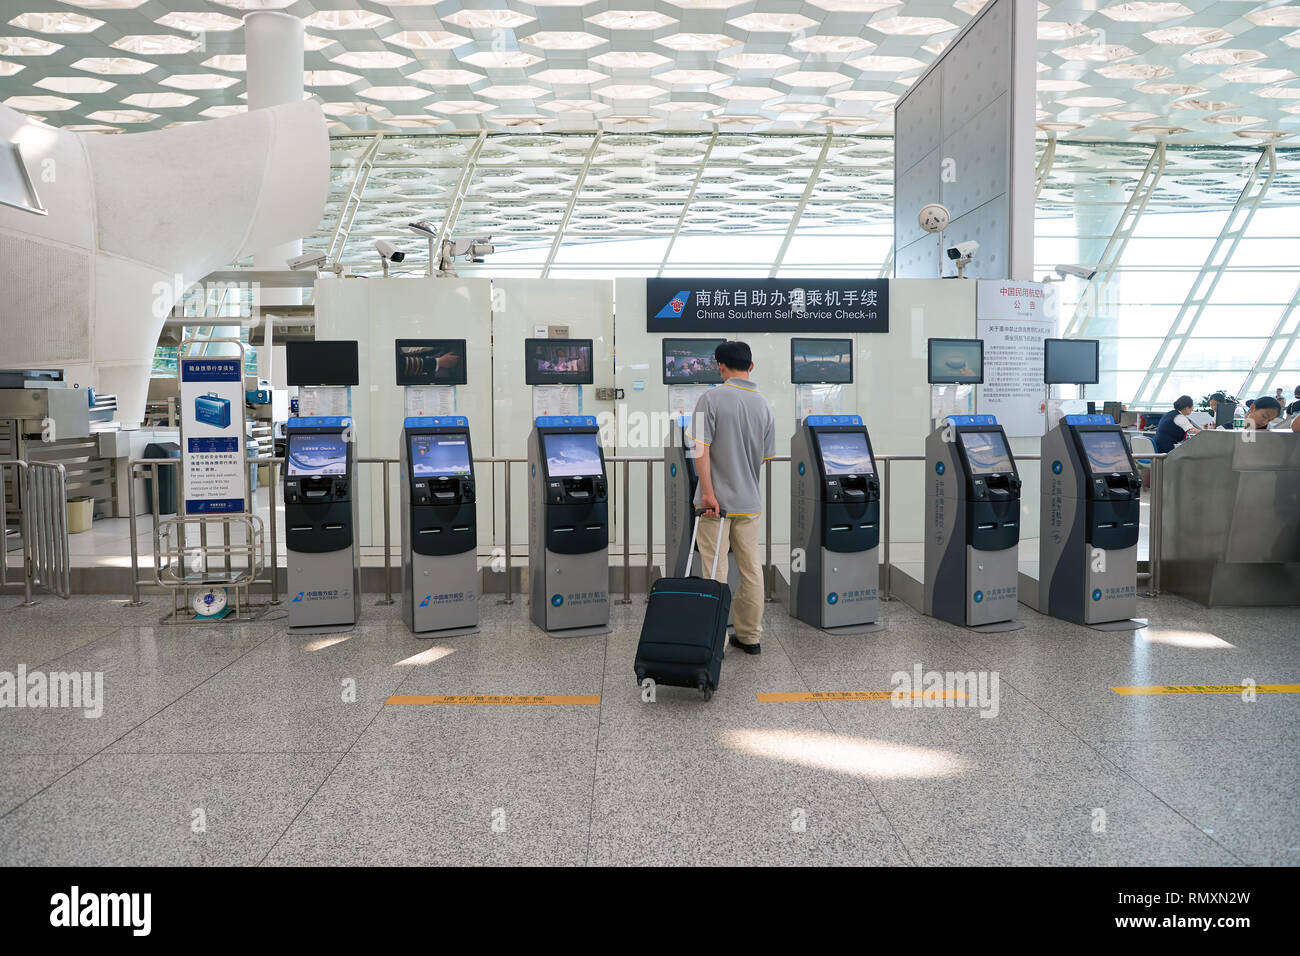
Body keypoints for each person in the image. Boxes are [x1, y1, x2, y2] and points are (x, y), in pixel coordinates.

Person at [688, 340, 775, 655]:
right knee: (751, 569)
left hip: (716, 505)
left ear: (720, 366)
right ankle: (751, 637)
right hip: (750, 503)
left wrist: (708, 493)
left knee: (715, 569)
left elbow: (700, 450)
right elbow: (764, 457)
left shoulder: (710, 398)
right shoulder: (764, 405)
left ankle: (715, 641)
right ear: (751, 366)